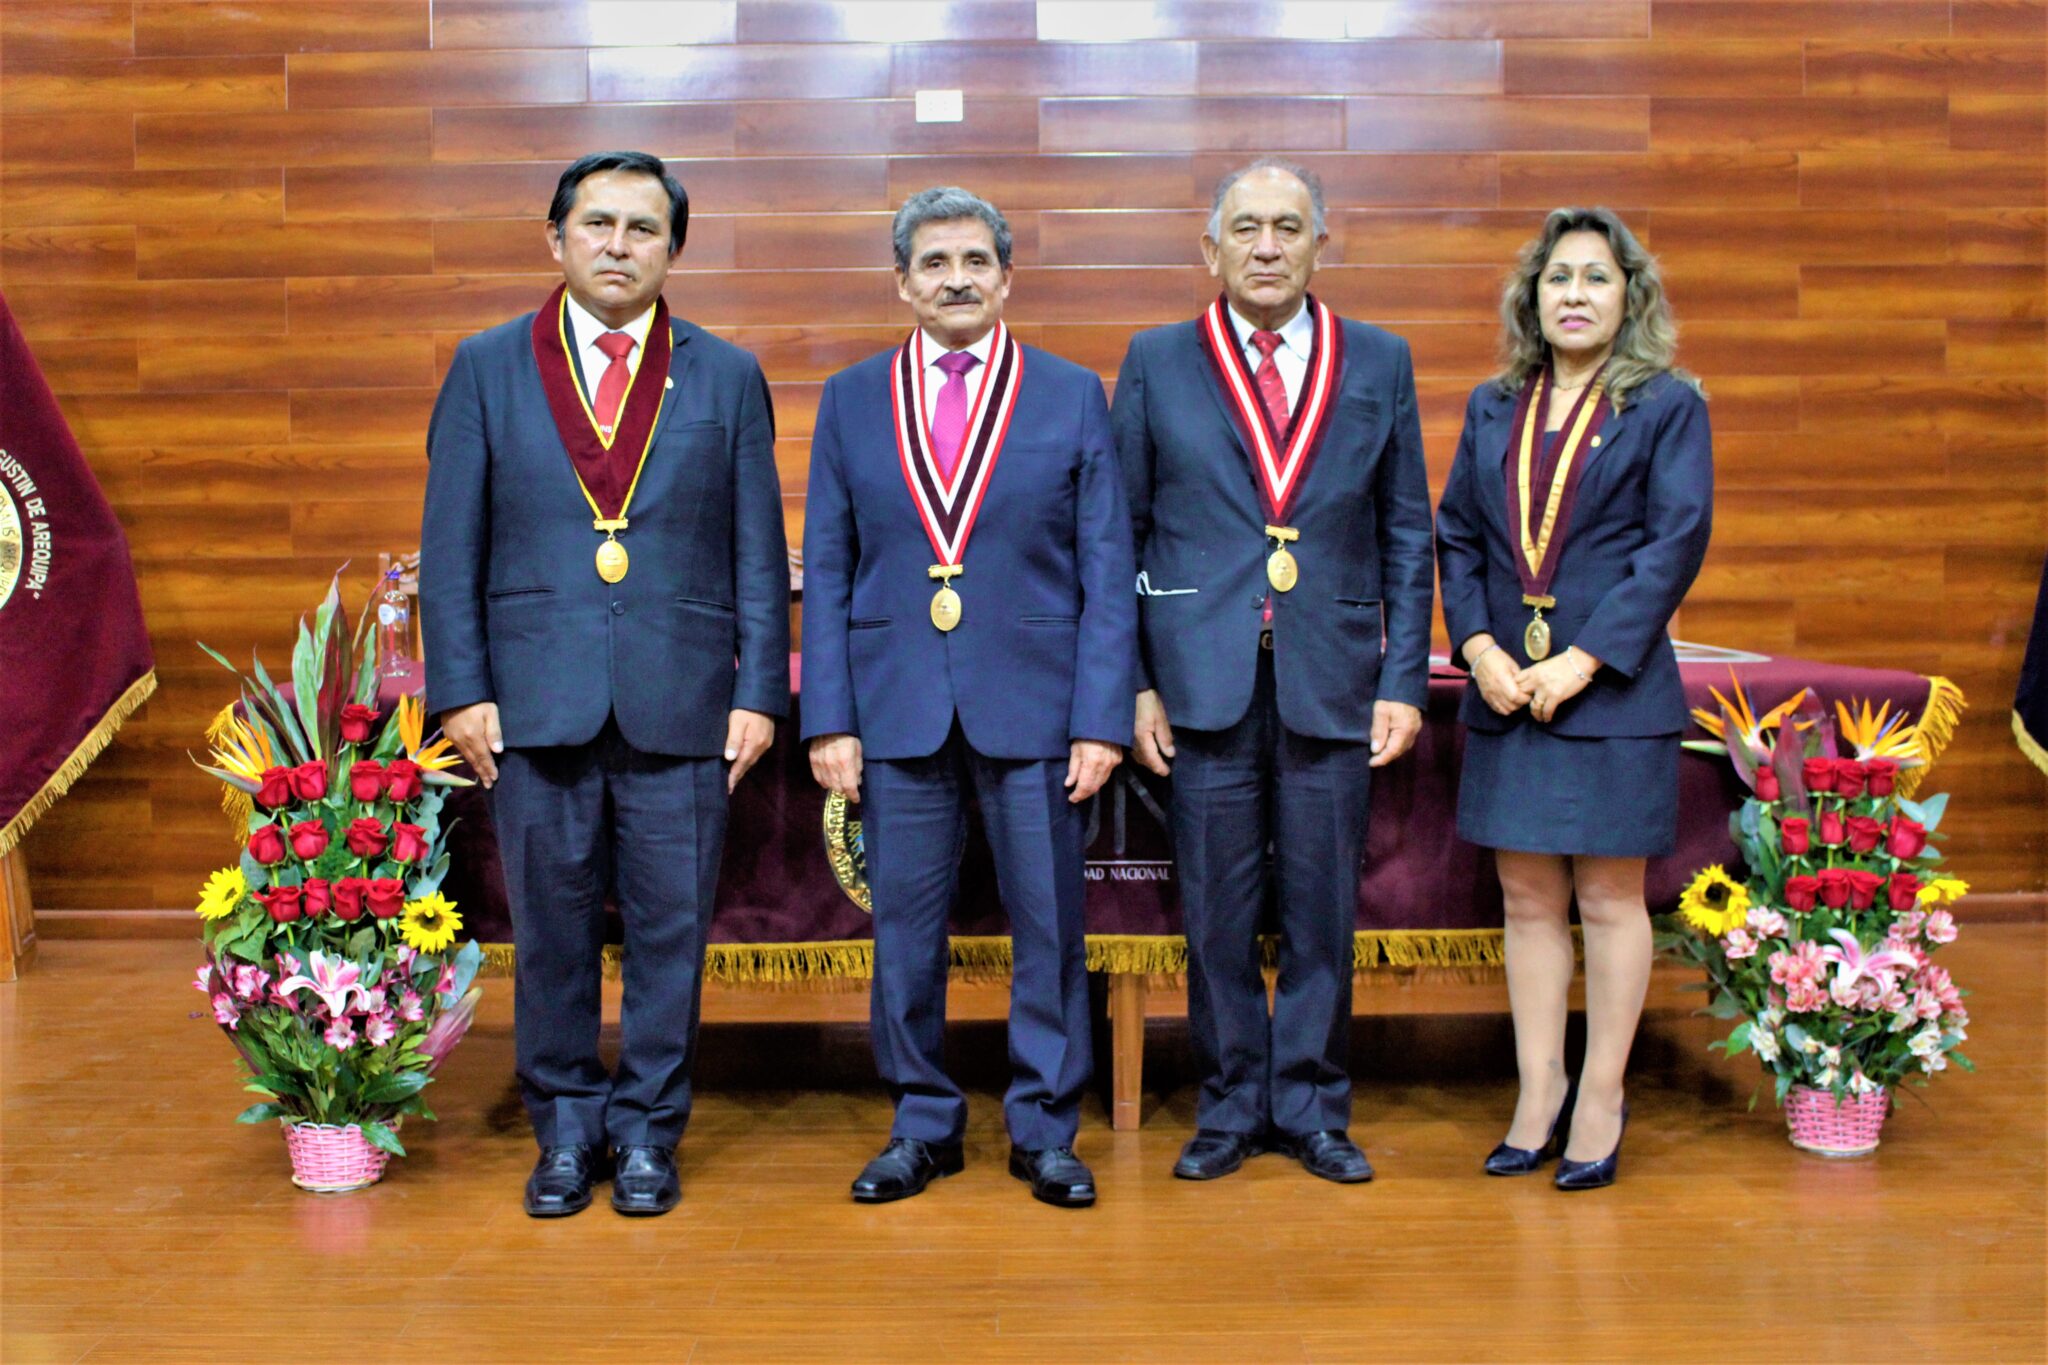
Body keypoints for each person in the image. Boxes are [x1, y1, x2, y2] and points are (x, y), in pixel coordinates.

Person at [420, 151, 790, 1218]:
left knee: (673, 935)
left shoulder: (722, 374)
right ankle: (566, 1129)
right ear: (555, 240)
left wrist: (757, 689)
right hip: (533, 705)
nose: (617, 245)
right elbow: (451, 551)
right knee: (552, 930)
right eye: (597, 225)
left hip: (681, 704)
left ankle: (645, 1136)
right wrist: (461, 691)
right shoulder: (487, 366)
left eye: (642, 229)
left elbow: (756, 552)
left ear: (672, 248)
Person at [802, 187, 1135, 1209]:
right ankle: (922, 1123)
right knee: (902, 931)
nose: (956, 278)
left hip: (1036, 708)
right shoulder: (851, 397)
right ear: (901, 282)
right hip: (895, 702)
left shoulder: (1070, 393)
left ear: (1005, 277)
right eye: (934, 261)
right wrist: (828, 716)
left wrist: (1097, 716)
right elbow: (826, 557)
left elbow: (1104, 562)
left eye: (975, 260)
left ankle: (1042, 1127)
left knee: (1048, 927)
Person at [1112, 158, 1435, 1185]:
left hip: (1332, 680)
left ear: (1317, 244)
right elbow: (1113, 534)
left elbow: (1405, 534)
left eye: (1286, 227)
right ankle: (1226, 1107)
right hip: (1197, 679)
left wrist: (1401, 680)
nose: (1264, 246)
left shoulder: (1378, 361)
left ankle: (1310, 1106)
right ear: (1208, 248)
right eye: (1243, 227)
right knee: (1210, 911)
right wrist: (1131, 684)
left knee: (1319, 912)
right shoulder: (1156, 360)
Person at [1435, 206, 1712, 1191]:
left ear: (1627, 296)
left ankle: (1599, 1096)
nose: (1574, 296)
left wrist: (1579, 661)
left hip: (1610, 688)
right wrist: (1475, 647)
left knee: (1603, 895)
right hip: (1506, 687)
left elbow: (1670, 545)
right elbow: (1456, 536)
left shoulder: (1664, 404)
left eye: (1595, 278)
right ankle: (1536, 1089)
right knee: (1523, 897)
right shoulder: (1491, 403)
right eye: (1558, 279)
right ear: (1531, 296)